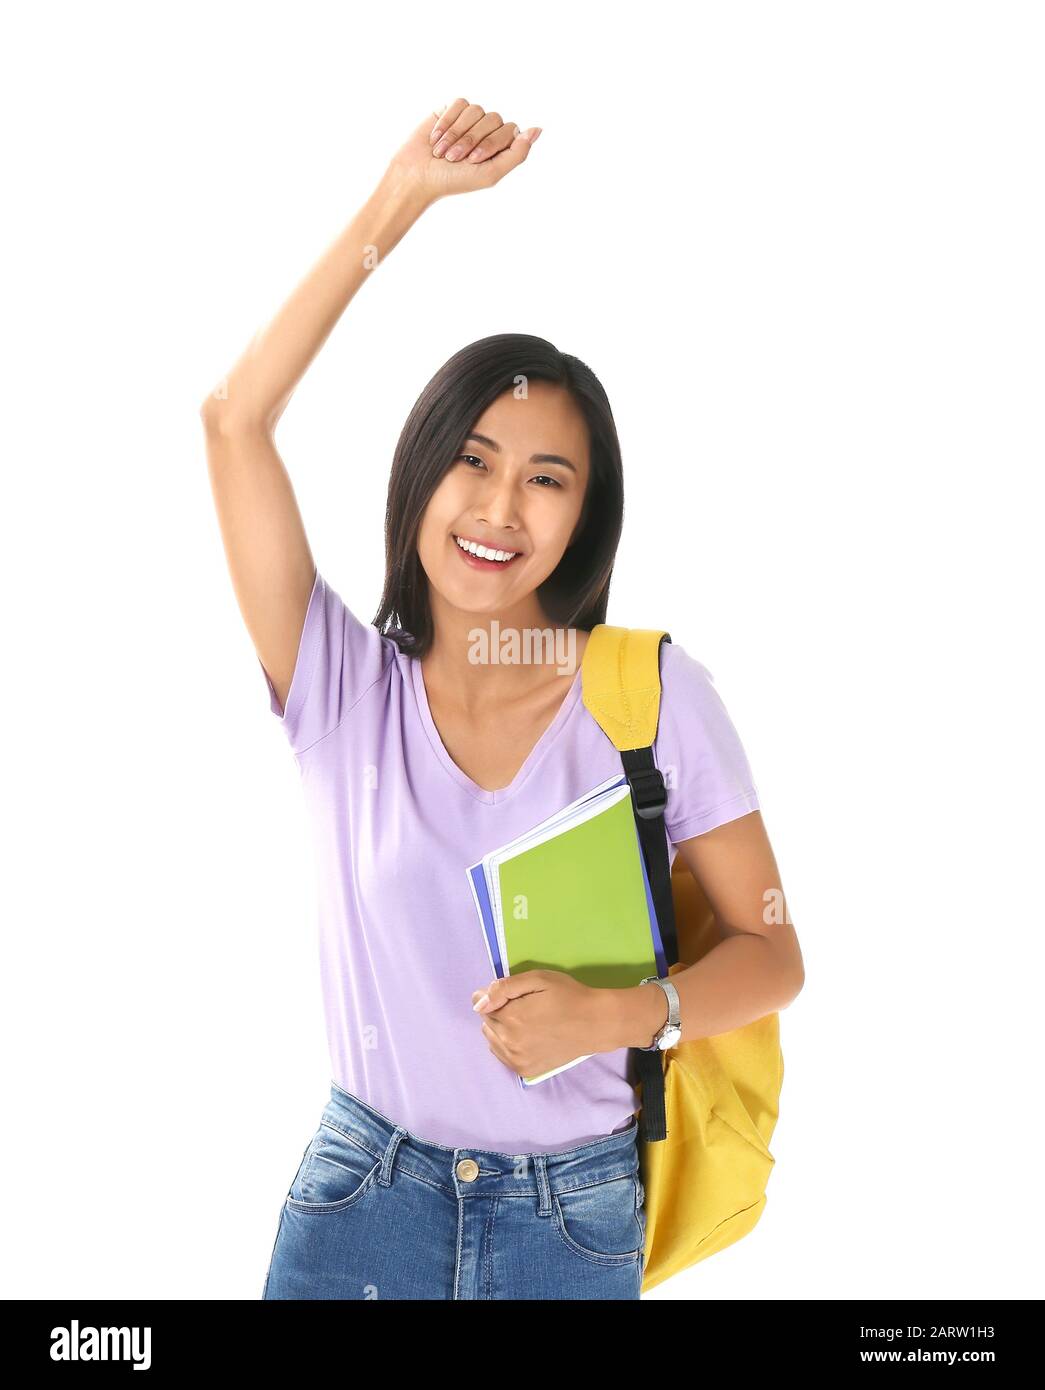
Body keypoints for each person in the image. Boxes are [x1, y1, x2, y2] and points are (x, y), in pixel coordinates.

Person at [200, 99, 805, 1301]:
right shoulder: (340, 688)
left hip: (571, 1215)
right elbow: (233, 420)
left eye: (545, 478)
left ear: (584, 517)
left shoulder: (650, 694)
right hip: (359, 1196)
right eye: (471, 459)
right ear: (422, 472)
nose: (498, 507)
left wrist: (626, 1013)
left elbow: (773, 954)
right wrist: (401, 199)